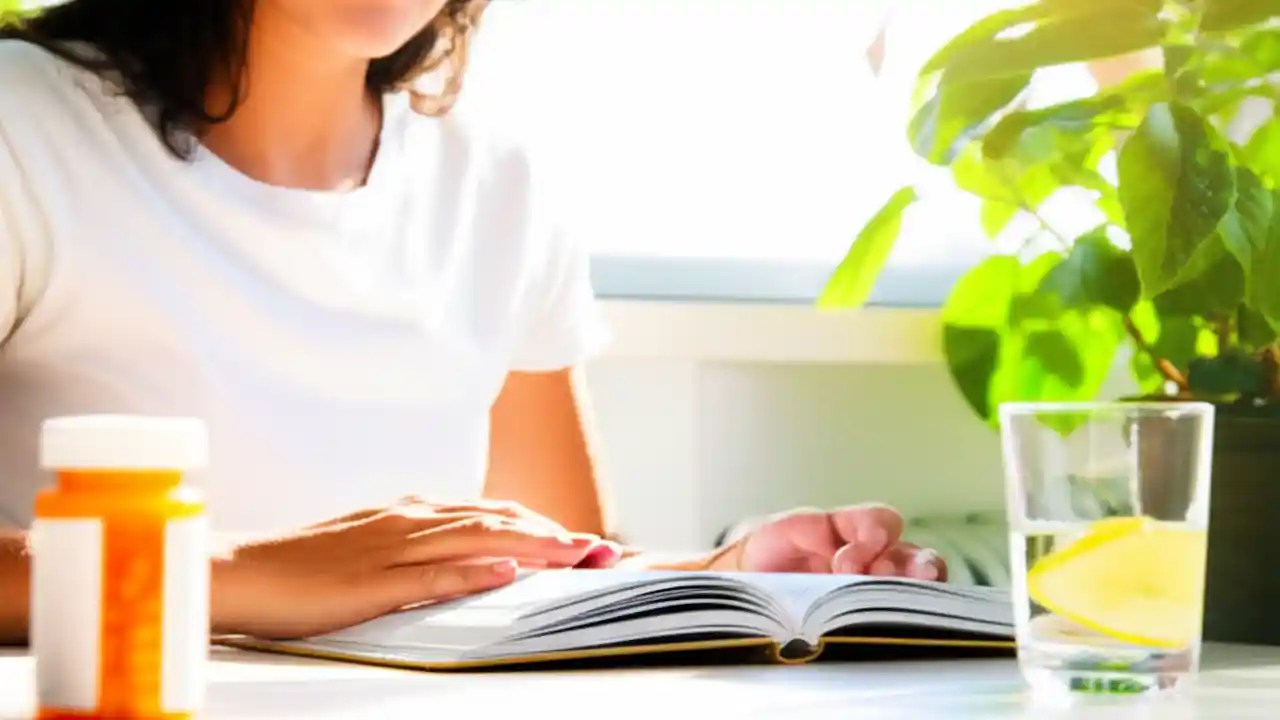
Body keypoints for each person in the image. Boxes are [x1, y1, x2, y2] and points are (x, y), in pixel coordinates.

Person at [0, 0, 945, 645]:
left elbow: (556, 567)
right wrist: (243, 573)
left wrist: (735, 575)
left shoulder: (494, 184)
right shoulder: (26, 124)